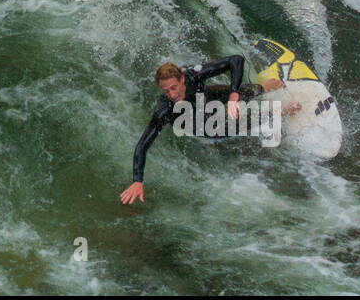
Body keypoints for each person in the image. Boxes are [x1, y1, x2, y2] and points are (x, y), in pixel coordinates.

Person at [119, 56, 299, 203]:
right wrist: (137, 181)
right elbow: (143, 145)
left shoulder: (192, 76)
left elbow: (235, 60)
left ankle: (262, 87)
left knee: (234, 93)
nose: (172, 95)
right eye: (166, 91)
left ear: (182, 80)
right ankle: (280, 112)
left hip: (204, 99)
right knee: (239, 123)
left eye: (174, 88)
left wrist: (234, 94)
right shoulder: (164, 109)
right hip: (200, 124)